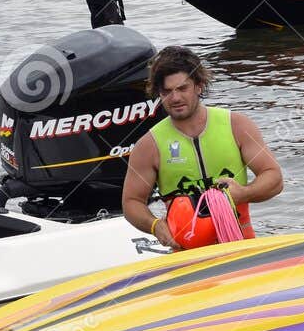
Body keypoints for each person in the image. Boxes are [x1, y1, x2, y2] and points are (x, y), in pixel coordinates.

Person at [121, 46, 284, 248]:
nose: (175, 98)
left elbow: (274, 177)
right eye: (167, 92)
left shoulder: (237, 125)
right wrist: (155, 225)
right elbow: (131, 202)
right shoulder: (149, 145)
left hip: (241, 247)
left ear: (198, 86)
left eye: (182, 88)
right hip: (188, 254)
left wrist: (244, 193)